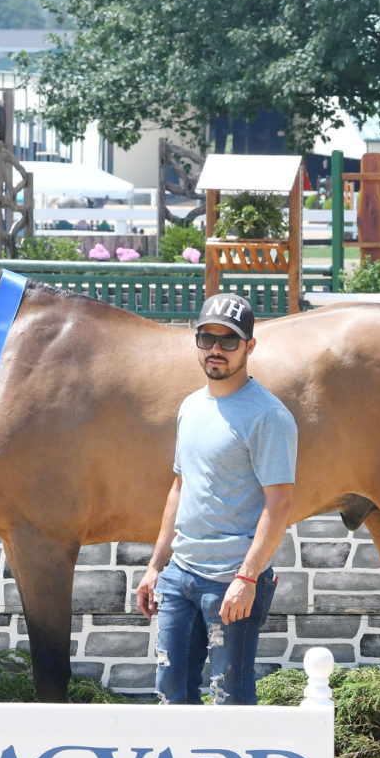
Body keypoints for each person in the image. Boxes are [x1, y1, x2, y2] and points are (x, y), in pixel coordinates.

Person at [136, 293, 297, 705]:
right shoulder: (191, 406)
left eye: (229, 341)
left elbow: (279, 505)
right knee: (171, 694)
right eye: (207, 339)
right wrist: (156, 566)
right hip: (180, 577)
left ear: (250, 346)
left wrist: (246, 578)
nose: (216, 350)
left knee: (231, 699)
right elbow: (179, 488)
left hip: (231, 582)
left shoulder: (268, 416)